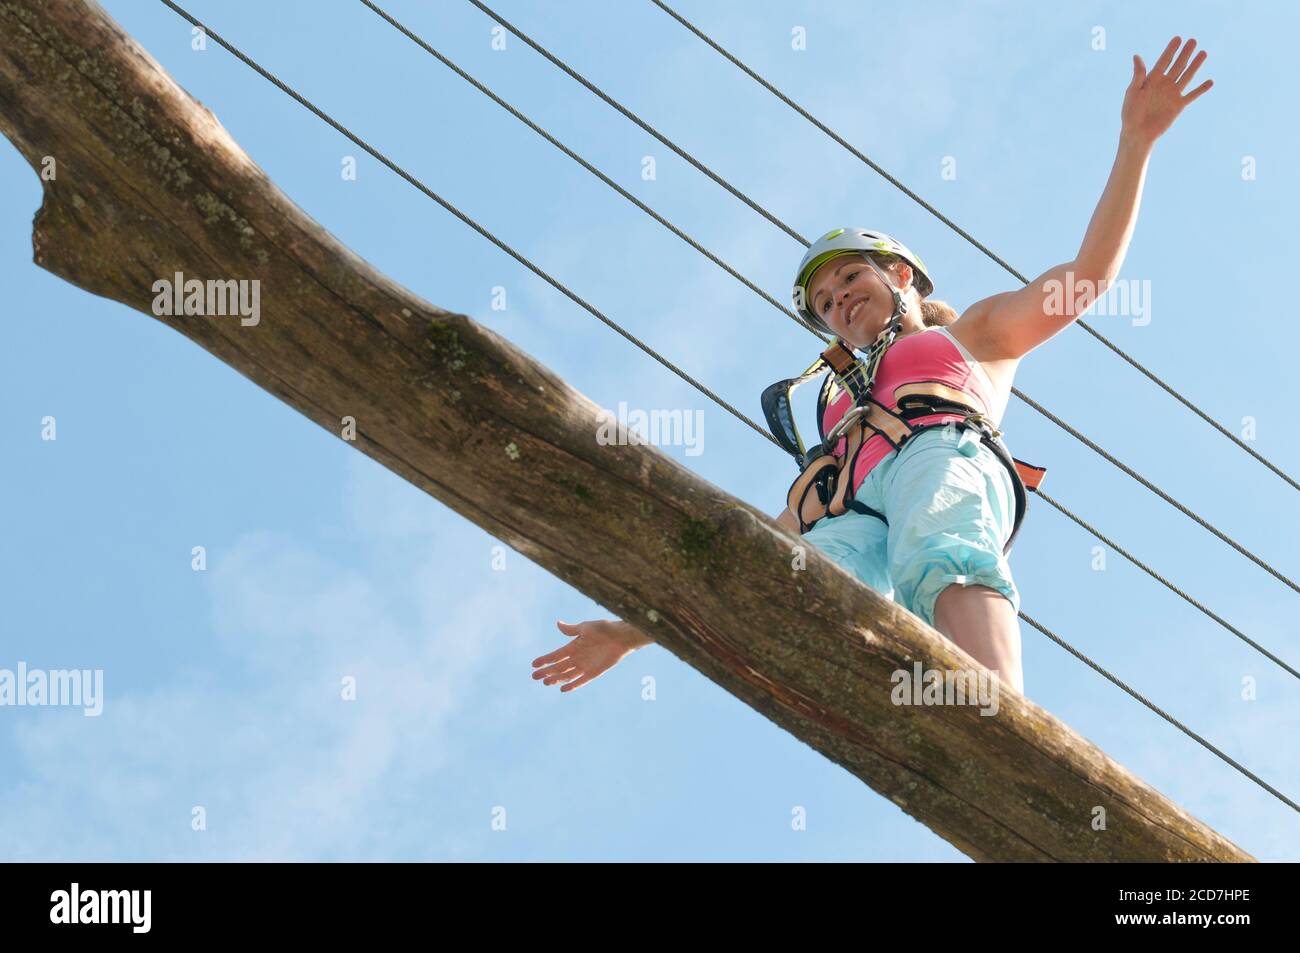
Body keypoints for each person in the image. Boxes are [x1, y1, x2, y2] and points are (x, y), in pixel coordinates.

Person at [532, 36, 1212, 696]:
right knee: (799, 581)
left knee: (938, 546)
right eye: (825, 302)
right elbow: (761, 546)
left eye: (851, 277)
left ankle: (999, 707)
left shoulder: (972, 334)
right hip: (853, 504)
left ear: (900, 275)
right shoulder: (839, 410)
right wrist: (632, 630)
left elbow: (1085, 278)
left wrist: (1136, 145)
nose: (840, 300)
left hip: (941, 452)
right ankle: (894, 715)